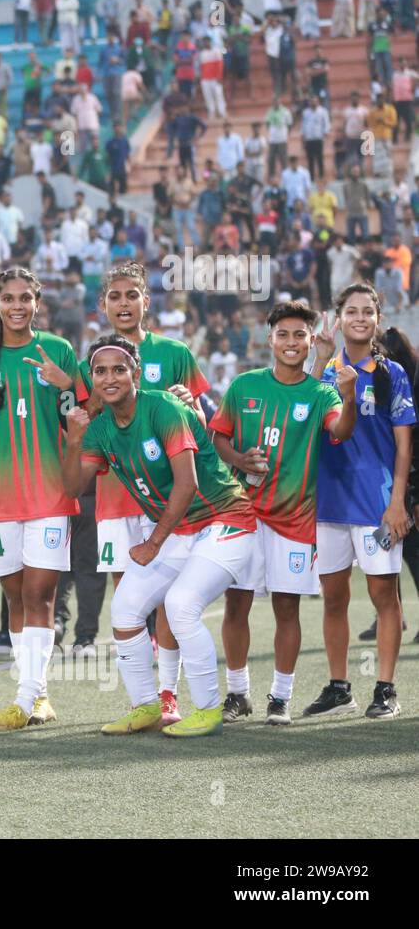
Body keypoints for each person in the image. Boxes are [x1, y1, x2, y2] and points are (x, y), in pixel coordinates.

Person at [64, 334, 257, 738]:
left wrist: (154, 542)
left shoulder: (164, 408)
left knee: (181, 604)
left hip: (226, 521)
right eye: (100, 371)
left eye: (119, 369)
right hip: (182, 531)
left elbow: (185, 484)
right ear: (92, 379)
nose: (110, 377)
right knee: (125, 610)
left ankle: (207, 710)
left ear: (136, 372)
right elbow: (72, 487)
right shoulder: (98, 429)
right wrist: (73, 438)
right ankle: (146, 706)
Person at [74, 262, 209, 723]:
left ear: (146, 301)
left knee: (171, 596)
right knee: (128, 595)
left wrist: (191, 406)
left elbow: (202, 425)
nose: (124, 304)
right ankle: (141, 696)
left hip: (167, 499)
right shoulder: (87, 360)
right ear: (103, 305)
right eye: (115, 296)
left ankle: (168, 694)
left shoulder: (174, 352)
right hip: (115, 495)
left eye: (132, 295)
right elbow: (84, 424)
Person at [212, 302, 357, 726]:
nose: (291, 342)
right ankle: (238, 694)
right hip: (243, 518)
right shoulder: (243, 386)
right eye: (284, 335)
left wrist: (348, 398)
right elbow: (218, 436)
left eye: (300, 336)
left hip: (294, 522)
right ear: (269, 338)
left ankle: (280, 698)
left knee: (286, 610)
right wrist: (240, 457)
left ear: (312, 342)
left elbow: (341, 430)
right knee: (235, 605)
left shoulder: (321, 393)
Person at [0, 266, 78, 732]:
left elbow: (80, 416)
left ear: (37, 302)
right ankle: (39, 694)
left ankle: (25, 700)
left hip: (50, 495)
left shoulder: (59, 351)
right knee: (14, 596)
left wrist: (66, 385)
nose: (18, 306)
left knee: (38, 593)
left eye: (26, 298)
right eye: (9, 298)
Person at [306, 284, 414, 719]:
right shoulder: (325, 371)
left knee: (383, 595)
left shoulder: (391, 374)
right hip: (328, 501)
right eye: (351, 311)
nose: (360, 317)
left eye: (368, 311)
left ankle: (385, 689)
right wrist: (319, 358)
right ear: (338, 317)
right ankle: (339, 687)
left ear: (377, 318)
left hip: (375, 504)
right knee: (334, 597)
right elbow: (302, 414)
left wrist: (398, 502)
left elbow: (404, 447)